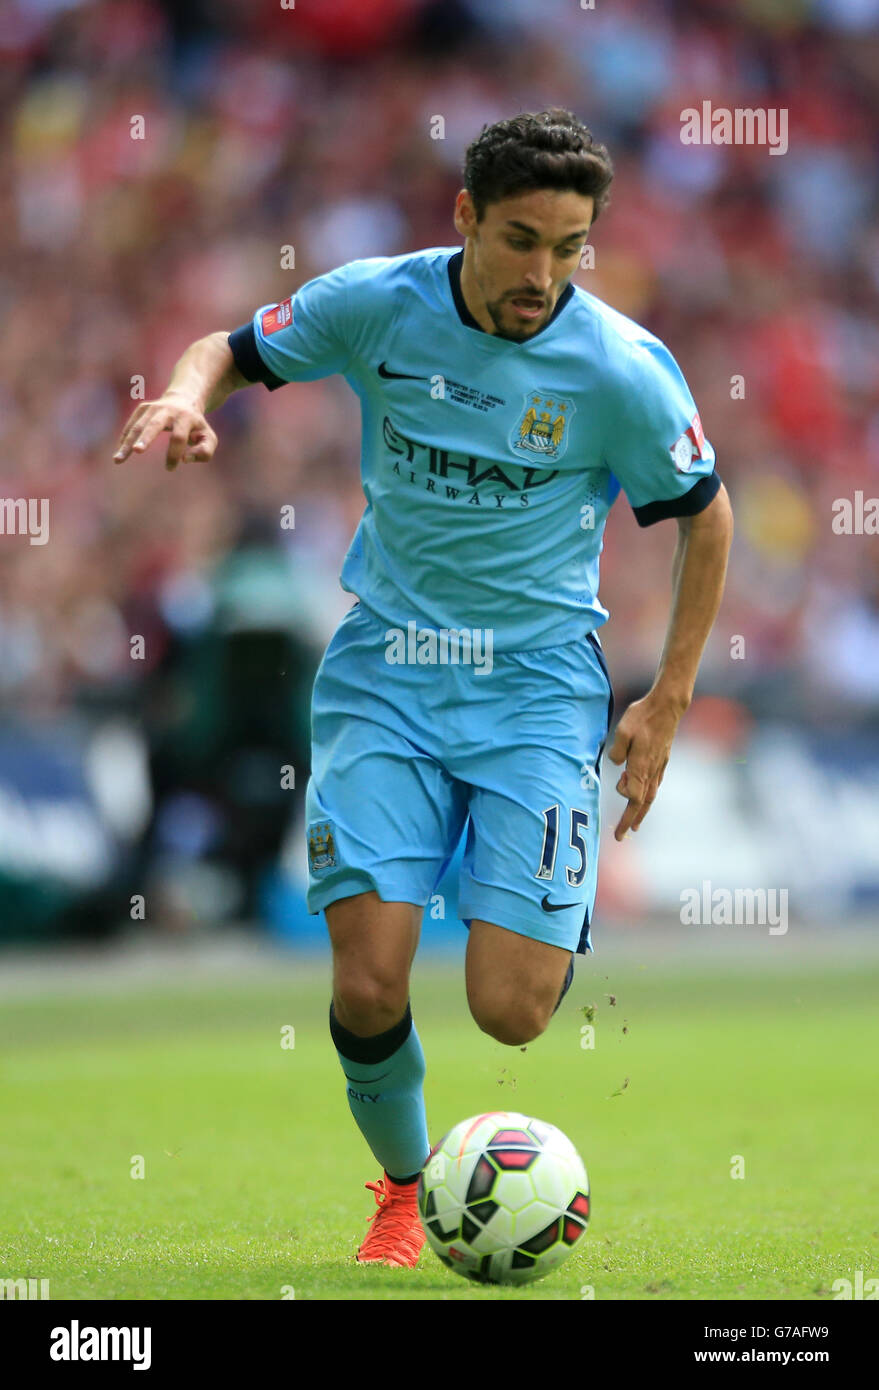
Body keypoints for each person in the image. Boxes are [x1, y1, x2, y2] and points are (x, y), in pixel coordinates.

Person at [113, 109, 734, 1271]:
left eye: (567, 246)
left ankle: (534, 912)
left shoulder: (620, 370)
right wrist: (188, 395)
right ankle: (404, 1193)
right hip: (386, 675)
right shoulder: (375, 303)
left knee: (512, 1009)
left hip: (540, 691)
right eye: (518, 241)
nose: (541, 274)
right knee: (365, 978)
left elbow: (708, 518)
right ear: (464, 218)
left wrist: (670, 699)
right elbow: (228, 347)